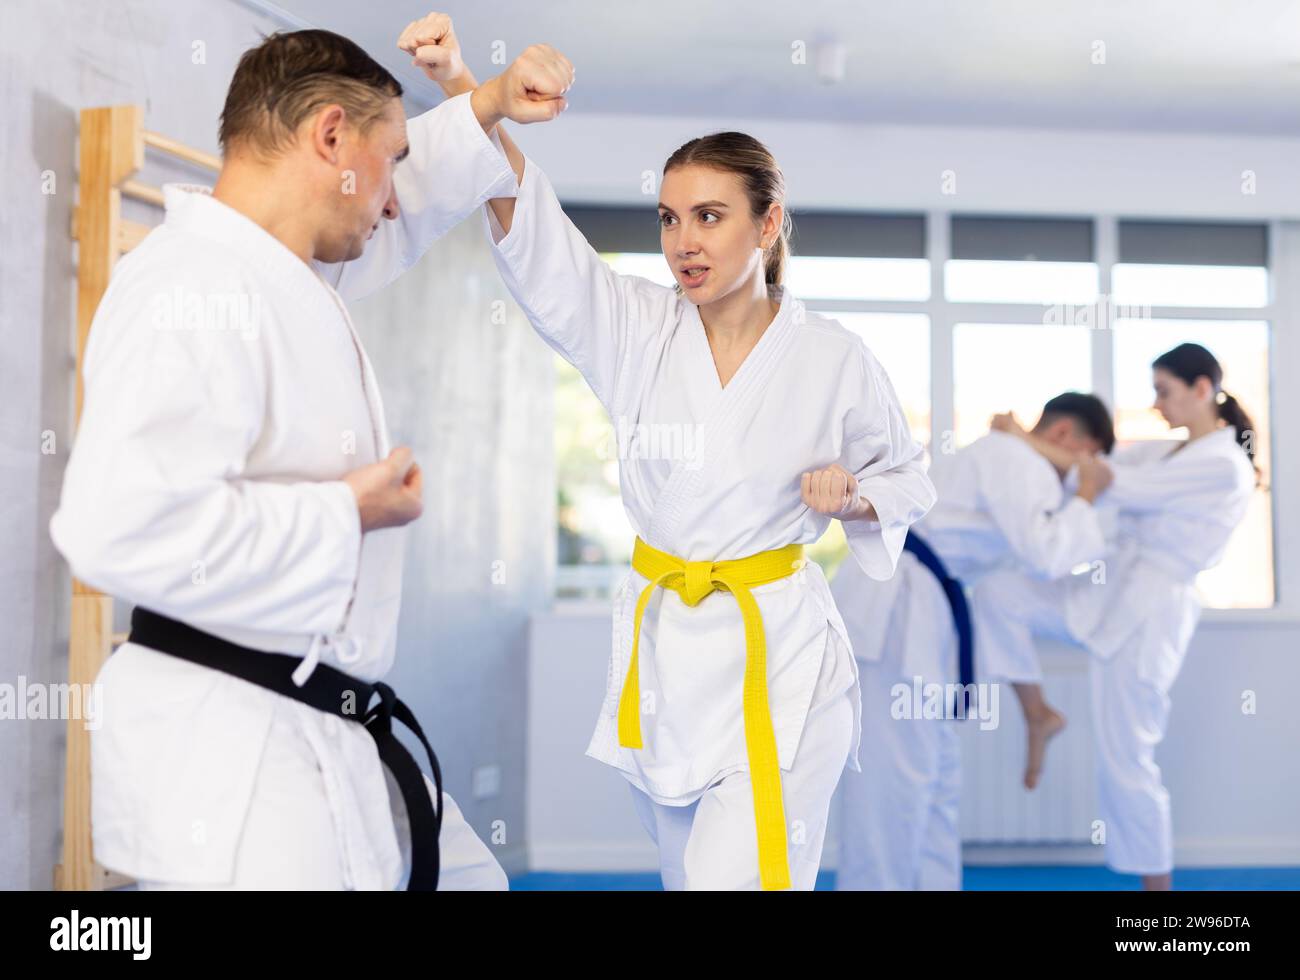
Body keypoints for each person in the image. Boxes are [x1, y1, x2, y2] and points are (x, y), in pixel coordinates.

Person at [49, 14, 571, 890]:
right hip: (236, 767)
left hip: (302, 729)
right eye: (391, 161)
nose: (396, 195)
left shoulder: (274, 271)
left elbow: (398, 221)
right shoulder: (195, 287)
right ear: (331, 135)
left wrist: (482, 101)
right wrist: (349, 512)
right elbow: (117, 528)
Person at [416, 32, 937, 890]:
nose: (683, 242)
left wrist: (855, 500)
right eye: (668, 218)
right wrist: (473, 89)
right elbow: (535, 232)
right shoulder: (636, 327)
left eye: (709, 216)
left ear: (768, 224)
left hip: (783, 665)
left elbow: (909, 477)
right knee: (686, 876)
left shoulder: (835, 357)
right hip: (667, 662)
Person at [976, 343, 1257, 889]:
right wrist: (1030, 446)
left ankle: (1160, 904)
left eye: (1164, 391)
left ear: (1203, 390)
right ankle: (1039, 715)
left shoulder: (1224, 466)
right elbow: (1098, 468)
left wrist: (1020, 437)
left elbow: (1110, 483)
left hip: (1150, 616)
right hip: (1105, 591)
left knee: (1127, 760)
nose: (1156, 404)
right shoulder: (1165, 451)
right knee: (999, 591)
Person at [831, 392, 1114, 890]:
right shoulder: (1014, 457)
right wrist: (1087, 494)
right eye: (1086, 458)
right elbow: (1046, 552)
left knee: (935, 778)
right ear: (1066, 436)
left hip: (926, 606)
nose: (1081, 473)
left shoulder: (1009, 453)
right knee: (890, 789)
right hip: (899, 608)